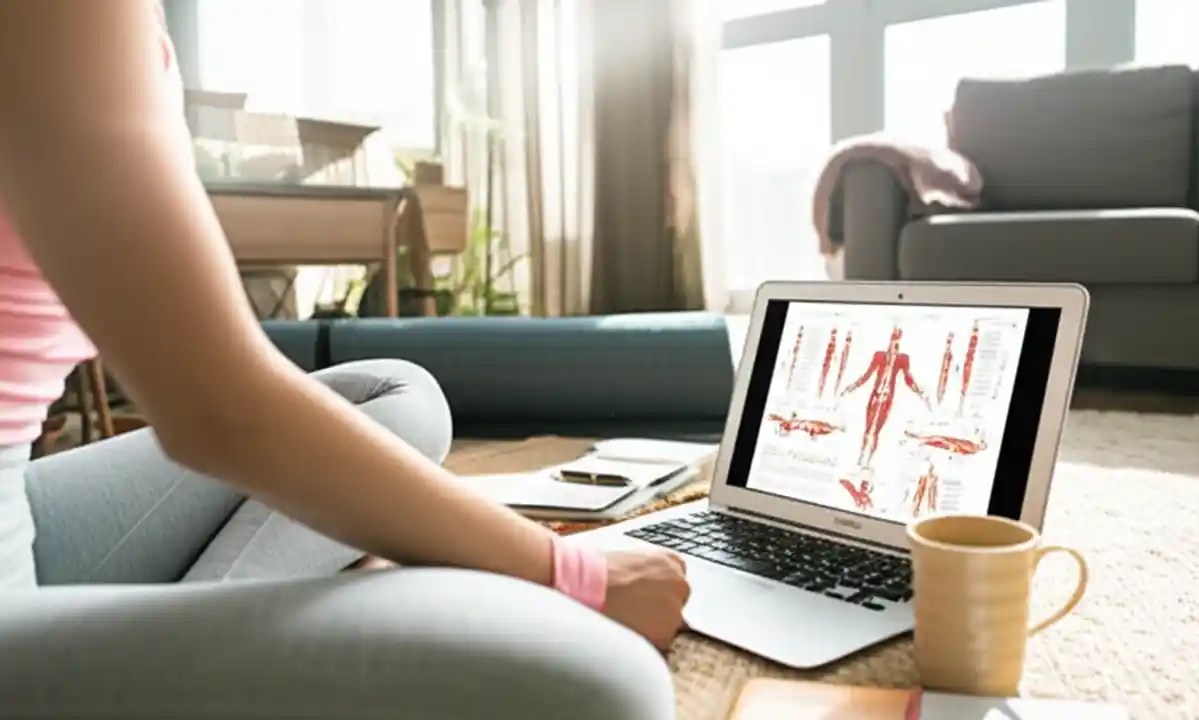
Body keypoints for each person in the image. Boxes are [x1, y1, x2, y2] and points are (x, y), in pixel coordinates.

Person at [0, 3, 688, 718]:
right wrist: (572, 575)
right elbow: (218, 415)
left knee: (396, 396)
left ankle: (163, 662)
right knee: (606, 682)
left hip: (19, 496)